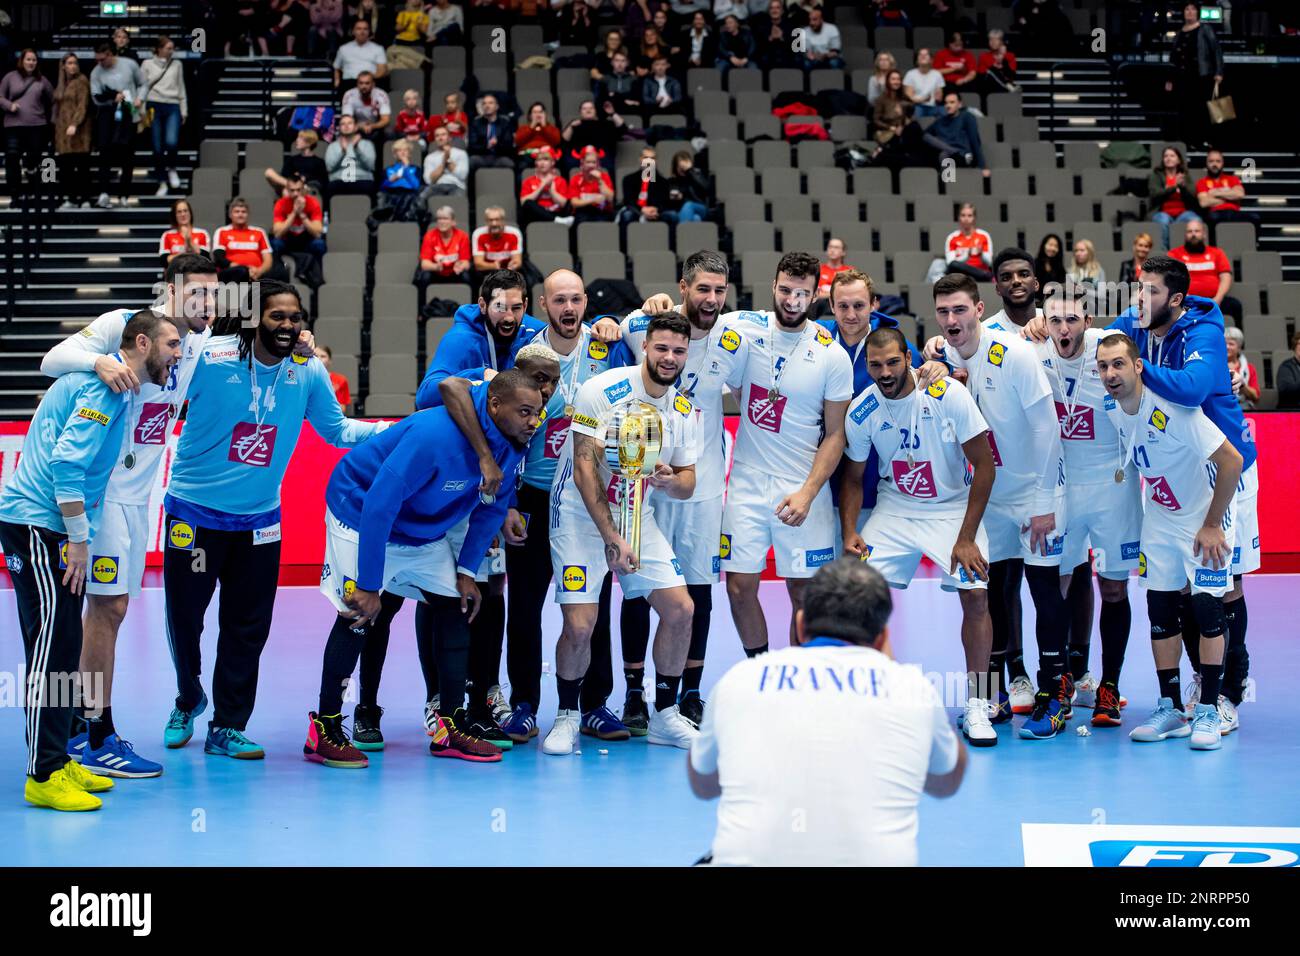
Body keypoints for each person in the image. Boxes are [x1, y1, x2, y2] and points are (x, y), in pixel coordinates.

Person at [1022, 255, 1260, 733]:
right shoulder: (1138, 319)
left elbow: (1191, 390)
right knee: (1168, 594)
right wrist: (1046, 325)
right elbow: (1100, 340)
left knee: (1222, 589)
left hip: (1223, 469)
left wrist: (1134, 372)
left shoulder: (1204, 332)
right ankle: (1178, 699)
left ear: (1173, 298)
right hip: (1169, 482)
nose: (1137, 300)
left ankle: (1227, 694)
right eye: (1136, 290)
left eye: (1148, 291)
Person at [160, 282, 387, 759]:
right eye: (277, 316)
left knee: (247, 627)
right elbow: (157, 382)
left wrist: (397, 430)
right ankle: (187, 697)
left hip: (259, 523)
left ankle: (227, 725)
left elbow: (336, 429)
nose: (287, 326)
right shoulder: (210, 355)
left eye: (295, 318)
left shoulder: (307, 370)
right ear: (254, 318)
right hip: (195, 515)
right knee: (186, 620)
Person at [38, 255, 222, 778]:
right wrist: (97, 362)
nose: (208, 304)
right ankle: (94, 733)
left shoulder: (200, 343)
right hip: (102, 493)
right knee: (108, 610)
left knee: (105, 611)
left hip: (140, 496)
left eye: (214, 295)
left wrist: (303, 351)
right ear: (172, 290)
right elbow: (53, 358)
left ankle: (76, 725)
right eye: (198, 294)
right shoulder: (127, 324)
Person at [306, 368, 544, 768]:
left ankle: (449, 725)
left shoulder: (511, 440)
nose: (533, 422)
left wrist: (467, 573)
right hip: (359, 510)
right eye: (525, 412)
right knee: (357, 613)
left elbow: (492, 511)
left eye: (537, 413)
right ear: (495, 404)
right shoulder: (434, 438)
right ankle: (325, 728)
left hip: (419, 528)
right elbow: (379, 504)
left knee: (455, 604)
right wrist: (368, 585)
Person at [1, 310, 182, 811]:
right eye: (170, 344)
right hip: (39, 525)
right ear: (141, 343)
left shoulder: (117, 387)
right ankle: (43, 774)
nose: (177, 354)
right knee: (52, 650)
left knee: (61, 642)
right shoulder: (103, 387)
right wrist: (79, 539)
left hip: (50, 525)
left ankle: (59, 758)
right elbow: (66, 464)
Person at [437, 274, 630, 741]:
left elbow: (649, 343)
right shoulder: (523, 351)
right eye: (558, 300)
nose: (568, 307)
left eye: (576, 299)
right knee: (525, 605)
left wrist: (613, 322)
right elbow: (503, 425)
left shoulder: (609, 347)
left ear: (585, 302)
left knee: (593, 604)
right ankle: (524, 703)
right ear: (543, 305)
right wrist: (505, 505)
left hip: (587, 497)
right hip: (531, 497)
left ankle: (594, 704)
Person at [688, 558, 966, 865]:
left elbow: (703, 784)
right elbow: (946, 781)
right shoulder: (912, 689)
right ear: (883, 637)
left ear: (800, 623)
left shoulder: (738, 681)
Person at [543, 311, 702, 755]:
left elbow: (689, 482)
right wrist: (612, 536)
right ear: (645, 347)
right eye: (662, 348)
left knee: (681, 609)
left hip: (637, 512)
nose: (669, 358)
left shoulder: (686, 410)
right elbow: (584, 469)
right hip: (577, 512)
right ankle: (568, 716)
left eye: (678, 351)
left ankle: (665, 715)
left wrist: (670, 481)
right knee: (581, 624)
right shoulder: (603, 390)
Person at [840, 327, 998, 745]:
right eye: (876, 365)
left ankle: (978, 704)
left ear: (908, 358)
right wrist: (850, 530)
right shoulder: (862, 410)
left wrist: (965, 538)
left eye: (893, 362)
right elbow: (854, 479)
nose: (885, 371)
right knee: (852, 589)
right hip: (896, 509)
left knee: (977, 593)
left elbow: (985, 467)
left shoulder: (946, 394)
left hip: (951, 509)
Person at [933, 272, 1072, 738]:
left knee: (1044, 590)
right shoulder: (942, 355)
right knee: (989, 595)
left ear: (978, 309)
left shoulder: (1012, 353)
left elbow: (1046, 427)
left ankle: (1054, 697)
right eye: (943, 312)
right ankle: (990, 698)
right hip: (988, 498)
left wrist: (1043, 500)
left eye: (960, 310)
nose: (952, 321)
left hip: (1036, 493)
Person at [618, 255, 747, 730]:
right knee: (636, 588)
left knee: (697, 592)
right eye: (703, 290)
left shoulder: (736, 336)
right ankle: (634, 692)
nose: (712, 300)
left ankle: (687, 691)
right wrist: (625, 316)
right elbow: (603, 327)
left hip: (703, 488)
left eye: (720, 290)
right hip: (644, 488)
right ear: (683, 287)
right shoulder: (646, 325)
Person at [1097, 333, 1241, 750]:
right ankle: (1170, 707)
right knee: (1160, 609)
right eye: (1104, 366)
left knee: (1208, 610)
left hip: (1203, 521)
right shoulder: (1112, 406)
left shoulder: (1174, 411)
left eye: (1119, 364)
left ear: (1138, 366)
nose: (1111, 374)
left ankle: (1210, 710)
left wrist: (1213, 524)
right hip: (1159, 519)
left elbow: (1230, 461)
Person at [719, 253, 855, 654]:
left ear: (816, 295)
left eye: (802, 294)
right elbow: (693, 317)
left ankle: (803, 680)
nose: (792, 301)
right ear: (773, 285)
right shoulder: (745, 329)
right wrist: (646, 309)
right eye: (785, 290)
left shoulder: (831, 354)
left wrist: (808, 493)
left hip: (801, 484)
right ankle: (762, 672)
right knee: (739, 587)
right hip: (745, 480)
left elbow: (835, 435)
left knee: (805, 593)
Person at [1034, 286, 1142, 727]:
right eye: (1055, 320)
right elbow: (975, 342)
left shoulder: (1108, 349)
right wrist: (937, 346)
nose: (1064, 328)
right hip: (1062, 487)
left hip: (1116, 485)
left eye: (1073, 320)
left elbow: (1145, 340)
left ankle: (1110, 687)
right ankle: (1059, 679)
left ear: (1088, 321)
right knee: (1056, 584)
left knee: (1114, 588)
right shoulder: (1033, 350)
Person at [89, 41, 145, 209]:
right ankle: (104, 193)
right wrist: (111, 99)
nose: (100, 63)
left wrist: (139, 99)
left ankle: (124, 195)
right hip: (107, 113)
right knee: (104, 154)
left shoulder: (129, 64)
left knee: (127, 157)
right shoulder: (96, 72)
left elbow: (143, 84)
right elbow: (95, 97)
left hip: (129, 109)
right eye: (97, 59)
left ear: (111, 54)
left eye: (102, 59)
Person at [1166, 1, 1222, 148]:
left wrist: (1218, 72)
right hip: (1183, 78)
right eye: (1187, 9)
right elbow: (1173, 57)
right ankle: (1187, 140)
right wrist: (1170, 78)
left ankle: (1203, 139)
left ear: (1197, 12)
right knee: (1186, 110)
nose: (1190, 12)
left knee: (1202, 109)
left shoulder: (1205, 29)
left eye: (1192, 9)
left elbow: (1216, 50)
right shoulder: (1180, 32)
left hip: (1201, 76)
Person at [1, 48, 53, 205]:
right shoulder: (10, 77)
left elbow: (54, 99)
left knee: (35, 160)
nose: (31, 62)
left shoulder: (42, 80)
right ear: (22, 61)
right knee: (12, 159)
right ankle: (15, 194)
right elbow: (0, 96)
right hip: (14, 125)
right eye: (28, 59)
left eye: (34, 60)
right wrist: (9, 105)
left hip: (36, 125)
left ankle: (33, 191)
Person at [1169, 217, 1240, 326]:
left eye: (1197, 231)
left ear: (1204, 234)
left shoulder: (1217, 253)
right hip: (1186, 300)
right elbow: (1172, 279)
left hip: (1215, 300)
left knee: (1235, 305)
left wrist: (1218, 298)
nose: (1193, 234)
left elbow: (1226, 276)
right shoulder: (1174, 254)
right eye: (1189, 231)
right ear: (1185, 235)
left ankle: (1235, 341)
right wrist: (1185, 297)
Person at [141, 35, 186, 195]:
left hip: (172, 104)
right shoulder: (147, 64)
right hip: (153, 104)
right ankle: (162, 181)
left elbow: (181, 87)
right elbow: (143, 88)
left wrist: (183, 109)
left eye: (172, 48)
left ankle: (172, 168)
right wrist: (141, 112)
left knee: (171, 141)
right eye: (168, 48)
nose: (171, 51)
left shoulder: (177, 64)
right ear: (159, 49)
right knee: (157, 146)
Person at [52, 52, 92, 210]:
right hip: (63, 131)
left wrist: (75, 123)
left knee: (82, 166)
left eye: (75, 63)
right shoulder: (61, 83)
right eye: (69, 63)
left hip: (79, 130)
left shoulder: (81, 81)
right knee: (66, 168)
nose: (73, 66)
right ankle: (70, 198)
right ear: (63, 65)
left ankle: (85, 199)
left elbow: (83, 104)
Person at [214, 197, 286, 284]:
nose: (240, 214)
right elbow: (219, 258)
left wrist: (259, 271)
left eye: (243, 212)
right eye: (237, 212)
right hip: (232, 273)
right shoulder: (222, 231)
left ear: (248, 214)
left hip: (257, 273)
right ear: (230, 215)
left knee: (281, 272)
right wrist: (246, 269)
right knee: (242, 271)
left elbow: (268, 260)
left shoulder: (259, 232)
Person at [1196, 148, 1257, 241]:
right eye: (1211, 161)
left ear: (1222, 163)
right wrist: (1229, 195)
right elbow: (1204, 203)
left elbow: (1240, 194)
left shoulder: (1232, 179)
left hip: (1234, 213)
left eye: (1218, 161)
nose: (1214, 164)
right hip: (1215, 213)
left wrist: (1215, 193)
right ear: (1207, 163)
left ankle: (1254, 244)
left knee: (1255, 218)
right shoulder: (1202, 182)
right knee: (1210, 220)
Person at [1148, 145, 1201, 250]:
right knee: (1162, 221)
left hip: (1183, 213)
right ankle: (1165, 253)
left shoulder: (1185, 176)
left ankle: (1192, 251)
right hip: (1162, 212)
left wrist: (1182, 187)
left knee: (1196, 219)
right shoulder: (1156, 176)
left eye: (1172, 156)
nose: (1168, 158)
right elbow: (1155, 195)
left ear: (1178, 160)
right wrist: (1174, 187)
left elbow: (1193, 196)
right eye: (1166, 156)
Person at [924, 91, 988, 176]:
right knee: (925, 137)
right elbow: (925, 136)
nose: (948, 106)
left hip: (965, 155)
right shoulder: (940, 121)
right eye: (946, 103)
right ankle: (951, 152)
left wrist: (982, 167)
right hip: (948, 153)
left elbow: (975, 141)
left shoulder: (967, 117)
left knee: (944, 155)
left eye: (952, 102)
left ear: (959, 104)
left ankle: (949, 185)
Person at [271, 173, 326, 268]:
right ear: (287, 190)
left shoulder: (313, 203)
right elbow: (277, 234)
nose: (296, 193)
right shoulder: (280, 204)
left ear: (303, 190)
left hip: (306, 241)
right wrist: (294, 213)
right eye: (292, 190)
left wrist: (302, 214)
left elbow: (318, 233)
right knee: (275, 243)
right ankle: (280, 274)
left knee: (319, 244)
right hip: (287, 241)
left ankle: (316, 273)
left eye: (298, 190)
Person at [561, 99, 625, 174]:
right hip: (579, 158)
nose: (588, 110)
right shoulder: (575, 124)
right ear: (580, 112)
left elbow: (622, 129)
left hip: (601, 157)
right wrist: (571, 126)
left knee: (608, 163)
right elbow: (563, 140)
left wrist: (612, 113)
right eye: (584, 108)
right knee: (568, 162)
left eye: (591, 108)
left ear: (595, 110)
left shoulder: (606, 124)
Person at [936, 202, 993, 282]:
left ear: (974, 218)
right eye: (963, 215)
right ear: (959, 217)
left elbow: (989, 262)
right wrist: (968, 254)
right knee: (952, 265)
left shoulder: (984, 235)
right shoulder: (952, 237)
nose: (966, 219)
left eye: (969, 215)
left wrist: (981, 254)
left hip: (980, 275)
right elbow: (951, 263)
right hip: (960, 275)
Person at [325, 113, 377, 200]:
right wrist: (343, 151)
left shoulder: (367, 144)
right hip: (339, 181)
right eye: (343, 124)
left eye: (349, 123)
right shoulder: (332, 146)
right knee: (330, 187)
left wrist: (357, 149)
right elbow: (329, 168)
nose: (346, 126)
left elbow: (371, 166)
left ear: (356, 127)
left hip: (362, 180)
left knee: (370, 187)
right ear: (339, 128)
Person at [470, 207, 524, 288]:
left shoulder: (514, 233)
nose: (494, 223)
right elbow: (478, 264)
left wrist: (512, 266)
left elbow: (517, 261)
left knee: (522, 278)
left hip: (509, 270)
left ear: (503, 220)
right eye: (490, 220)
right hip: (487, 271)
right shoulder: (478, 234)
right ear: (486, 222)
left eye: (497, 219)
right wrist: (493, 266)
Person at [519, 146, 573, 226]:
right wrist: (541, 186)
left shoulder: (560, 181)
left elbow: (563, 204)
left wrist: (552, 190)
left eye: (546, 159)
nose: (542, 163)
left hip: (555, 212)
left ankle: (554, 219)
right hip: (536, 215)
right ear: (536, 162)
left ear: (552, 162)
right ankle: (556, 220)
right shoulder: (529, 181)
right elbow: (523, 202)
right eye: (539, 160)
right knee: (528, 204)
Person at [417, 205, 472, 284]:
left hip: (454, 273)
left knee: (466, 276)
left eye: (445, 218)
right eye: (439, 219)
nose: (441, 221)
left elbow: (466, 263)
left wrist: (460, 266)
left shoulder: (462, 236)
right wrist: (435, 267)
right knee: (425, 276)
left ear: (453, 221)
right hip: (436, 272)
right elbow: (424, 264)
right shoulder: (429, 236)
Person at [266, 128, 328, 194]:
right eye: (298, 138)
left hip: (308, 189)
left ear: (309, 143)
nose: (296, 140)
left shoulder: (319, 162)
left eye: (300, 138)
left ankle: (299, 187)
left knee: (286, 192)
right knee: (269, 172)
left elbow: (323, 182)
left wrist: (304, 178)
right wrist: (294, 178)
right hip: (291, 186)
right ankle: (295, 187)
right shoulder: (292, 160)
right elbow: (284, 176)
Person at [340, 70, 390, 151]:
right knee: (345, 128)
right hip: (356, 125)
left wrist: (372, 126)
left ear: (373, 84)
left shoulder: (381, 95)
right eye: (361, 83)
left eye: (367, 83)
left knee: (387, 132)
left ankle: (381, 161)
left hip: (376, 125)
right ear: (357, 84)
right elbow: (346, 118)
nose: (364, 86)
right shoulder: (349, 95)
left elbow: (385, 119)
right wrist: (359, 126)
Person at [375, 137, 421, 221]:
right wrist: (390, 180)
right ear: (395, 154)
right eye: (399, 150)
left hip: (409, 196)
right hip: (391, 195)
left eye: (405, 150)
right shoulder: (388, 169)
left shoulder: (415, 169)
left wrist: (406, 168)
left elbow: (416, 186)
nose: (403, 152)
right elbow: (381, 187)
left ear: (409, 153)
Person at [333, 18, 387, 90]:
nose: (362, 31)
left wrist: (368, 80)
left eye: (365, 29)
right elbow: (336, 68)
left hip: (370, 84)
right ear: (353, 31)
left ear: (369, 31)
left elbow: (382, 70)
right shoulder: (343, 48)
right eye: (359, 29)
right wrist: (337, 81)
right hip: (349, 83)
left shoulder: (378, 48)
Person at [567, 146, 616, 223]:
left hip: (602, 212)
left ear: (598, 163)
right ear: (582, 163)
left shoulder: (604, 177)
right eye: (588, 162)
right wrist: (593, 200)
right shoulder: (576, 179)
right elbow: (574, 203)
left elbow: (610, 198)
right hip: (583, 212)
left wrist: (600, 181)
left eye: (594, 162)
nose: (591, 165)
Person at [468, 93, 516, 171]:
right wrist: (487, 145)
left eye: (490, 103)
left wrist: (497, 144)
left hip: (499, 156)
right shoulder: (476, 123)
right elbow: (472, 146)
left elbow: (509, 146)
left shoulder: (505, 123)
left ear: (497, 106)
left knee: (509, 163)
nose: (487, 105)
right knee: (472, 161)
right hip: (482, 156)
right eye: (484, 103)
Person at [420, 124, 469, 200]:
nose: (440, 138)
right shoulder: (429, 157)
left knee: (458, 201)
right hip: (436, 187)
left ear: (449, 138)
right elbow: (428, 180)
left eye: (443, 135)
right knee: (421, 198)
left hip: (456, 186)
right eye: (437, 136)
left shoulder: (461, 153)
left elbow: (462, 176)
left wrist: (448, 160)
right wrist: (444, 162)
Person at [158, 198, 210, 266]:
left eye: (185, 211)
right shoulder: (167, 235)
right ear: (174, 215)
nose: (183, 214)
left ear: (190, 213)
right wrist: (184, 253)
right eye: (179, 212)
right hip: (177, 272)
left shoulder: (202, 233)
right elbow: (164, 261)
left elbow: (205, 258)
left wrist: (189, 241)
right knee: (179, 273)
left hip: (196, 272)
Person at [515, 101, 561, 168]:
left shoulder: (551, 128)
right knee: (523, 164)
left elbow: (556, 142)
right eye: (535, 112)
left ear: (544, 114)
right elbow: (518, 142)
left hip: (546, 154)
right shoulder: (524, 128)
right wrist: (532, 126)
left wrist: (544, 126)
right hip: (527, 154)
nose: (538, 115)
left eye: (540, 112)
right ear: (530, 115)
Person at [597, 49, 642, 117]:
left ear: (627, 63)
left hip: (629, 110)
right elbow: (601, 98)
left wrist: (613, 95)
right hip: (609, 109)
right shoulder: (605, 79)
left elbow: (637, 101)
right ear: (612, 62)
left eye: (623, 61)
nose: (620, 64)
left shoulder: (634, 79)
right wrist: (624, 100)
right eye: (617, 60)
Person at [903, 48, 945, 118]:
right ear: (916, 60)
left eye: (926, 54)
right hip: (916, 105)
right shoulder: (910, 74)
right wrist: (923, 100)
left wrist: (938, 97)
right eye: (920, 54)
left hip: (933, 106)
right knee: (916, 111)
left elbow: (939, 98)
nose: (923, 56)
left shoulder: (937, 74)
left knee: (943, 112)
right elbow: (909, 98)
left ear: (931, 60)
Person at [1224, 327, 1259, 410]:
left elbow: (1255, 396)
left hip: (1244, 409)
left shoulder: (1249, 368)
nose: (1227, 347)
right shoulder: (1215, 366)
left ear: (1239, 347)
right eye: (1224, 343)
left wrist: (1242, 385)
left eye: (1231, 344)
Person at [755, 0, 795, 70]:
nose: (774, 10)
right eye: (772, 8)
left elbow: (794, 48)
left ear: (782, 11)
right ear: (769, 11)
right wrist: (770, 38)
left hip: (786, 57)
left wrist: (781, 38)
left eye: (777, 8)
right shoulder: (762, 26)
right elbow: (758, 49)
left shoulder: (789, 26)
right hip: (768, 57)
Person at [799, 6, 844, 70]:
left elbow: (835, 52)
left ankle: (834, 80)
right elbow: (806, 52)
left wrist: (824, 56)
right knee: (805, 63)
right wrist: (810, 56)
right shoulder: (805, 31)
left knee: (834, 62)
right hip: (813, 59)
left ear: (821, 19)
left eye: (814, 19)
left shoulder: (832, 29)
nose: (811, 23)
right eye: (810, 19)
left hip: (830, 57)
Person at [977, 28, 1018, 93]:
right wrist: (994, 67)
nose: (993, 42)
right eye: (990, 39)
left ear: (1001, 42)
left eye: (996, 39)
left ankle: (1007, 85)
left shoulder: (1010, 56)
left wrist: (1003, 60)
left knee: (992, 69)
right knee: (990, 70)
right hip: (989, 87)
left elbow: (1011, 75)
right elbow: (982, 75)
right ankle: (1007, 85)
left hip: (1003, 87)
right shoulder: (984, 56)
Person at [315, 344, 351, 409]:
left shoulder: (340, 380)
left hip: (330, 417)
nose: (318, 359)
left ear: (330, 360)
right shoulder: (303, 379)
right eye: (315, 356)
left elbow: (342, 408)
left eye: (323, 356)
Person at [816, 238, 852, 302]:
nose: (832, 250)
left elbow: (850, 294)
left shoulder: (849, 271)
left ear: (843, 252)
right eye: (830, 247)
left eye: (836, 247)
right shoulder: (818, 269)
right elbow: (814, 295)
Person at [1277, 333, 1300, 410]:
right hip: (1291, 413)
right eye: (1299, 344)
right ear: (1294, 347)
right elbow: (1285, 389)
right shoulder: (1286, 367)